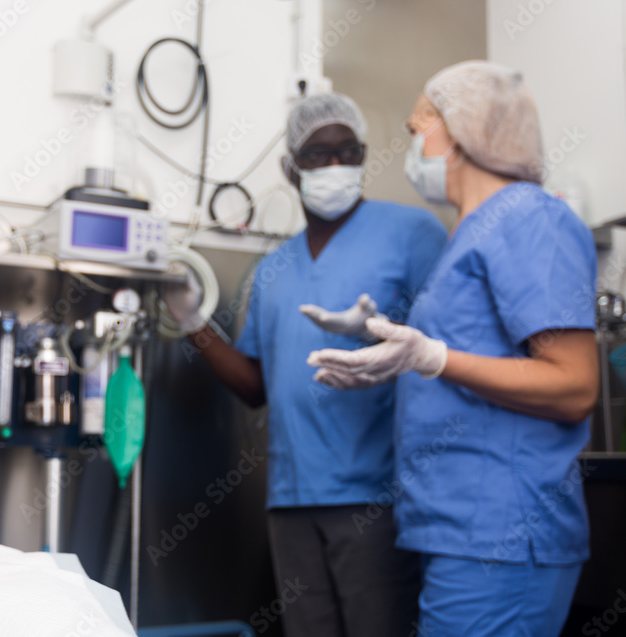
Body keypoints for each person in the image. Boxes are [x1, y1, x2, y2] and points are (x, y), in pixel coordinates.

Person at [307, 61, 598, 636]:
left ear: (463, 130)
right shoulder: (472, 230)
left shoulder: (527, 217)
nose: (413, 141)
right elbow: (474, 352)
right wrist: (385, 345)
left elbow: (575, 385)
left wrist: (430, 357)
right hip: (461, 528)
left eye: (420, 127)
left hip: (503, 532)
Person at [164, 93, 448, 637]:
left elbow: (452, 351)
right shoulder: (273, 270)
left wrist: (384, 340)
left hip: (378, 496)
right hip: (291, 501)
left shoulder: (413, 235)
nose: (336, 166)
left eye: (350, 151)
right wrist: (191, 319)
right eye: (319, 155)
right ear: (290, 169)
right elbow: (254, 386)